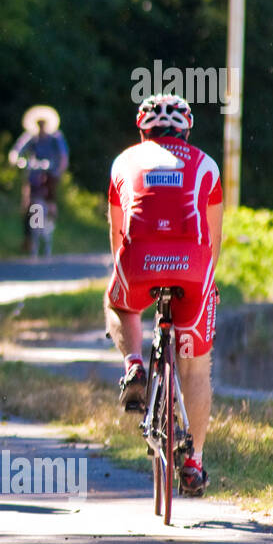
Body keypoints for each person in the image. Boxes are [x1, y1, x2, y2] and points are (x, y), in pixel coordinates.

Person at [104, 94, 223, 496]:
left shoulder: (123, 162)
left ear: (142, 131)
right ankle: (193, 462)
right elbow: (213, 239)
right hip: (192, 268)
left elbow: (117, 233)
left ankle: (135, 364)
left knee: (118, 302)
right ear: (186, 131)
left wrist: (126, 274)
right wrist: (208, 283)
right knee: (196, 366)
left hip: (139, 261)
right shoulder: (206, 164)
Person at [9, 105, 69, 254]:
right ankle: (29, 240)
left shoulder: (55, 138)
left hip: (49, 176)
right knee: (28, 205)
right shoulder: (31, 138)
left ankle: (49, 227)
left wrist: (59, 169)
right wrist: (16, 160)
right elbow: (17, 150)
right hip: (34, 176)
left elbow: (63, 156)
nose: (40, 127)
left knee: (50, 202)